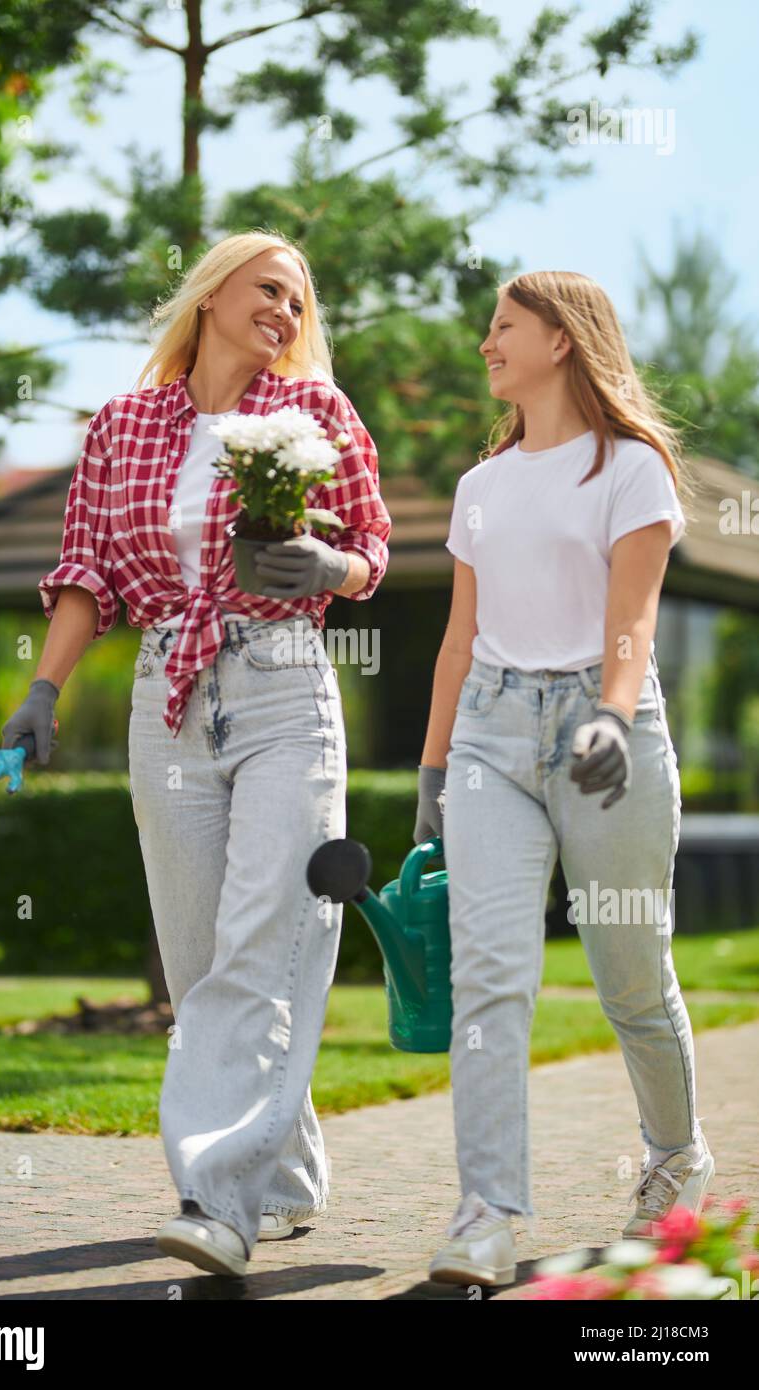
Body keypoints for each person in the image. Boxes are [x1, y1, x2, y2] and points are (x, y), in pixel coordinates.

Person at [2, 230, 391, 1278]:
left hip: (279, 683)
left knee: (270, 931)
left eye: (298, 303)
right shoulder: (124, 423)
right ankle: (290, 1175)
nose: (284, 313)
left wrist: (330, 561)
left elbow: (372, 550)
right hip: (163, 691)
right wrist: (42, 689)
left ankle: (217, 1196)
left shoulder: (315, 414)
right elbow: (84, 567)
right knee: (201, 957)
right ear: (212, 291)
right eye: (268, 289)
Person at [414, 270, 714, 1289]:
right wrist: (431, 766)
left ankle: (674, 1158)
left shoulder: (627, 469)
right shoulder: (479, 487)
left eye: (503, 326)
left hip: (602, 729)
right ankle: (485, 1215)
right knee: (489, 979)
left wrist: (610, 717)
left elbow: (631, 619)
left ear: (559, 339)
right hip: (492, 732)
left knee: (629, 976)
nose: (486, 343)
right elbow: (456, 641)